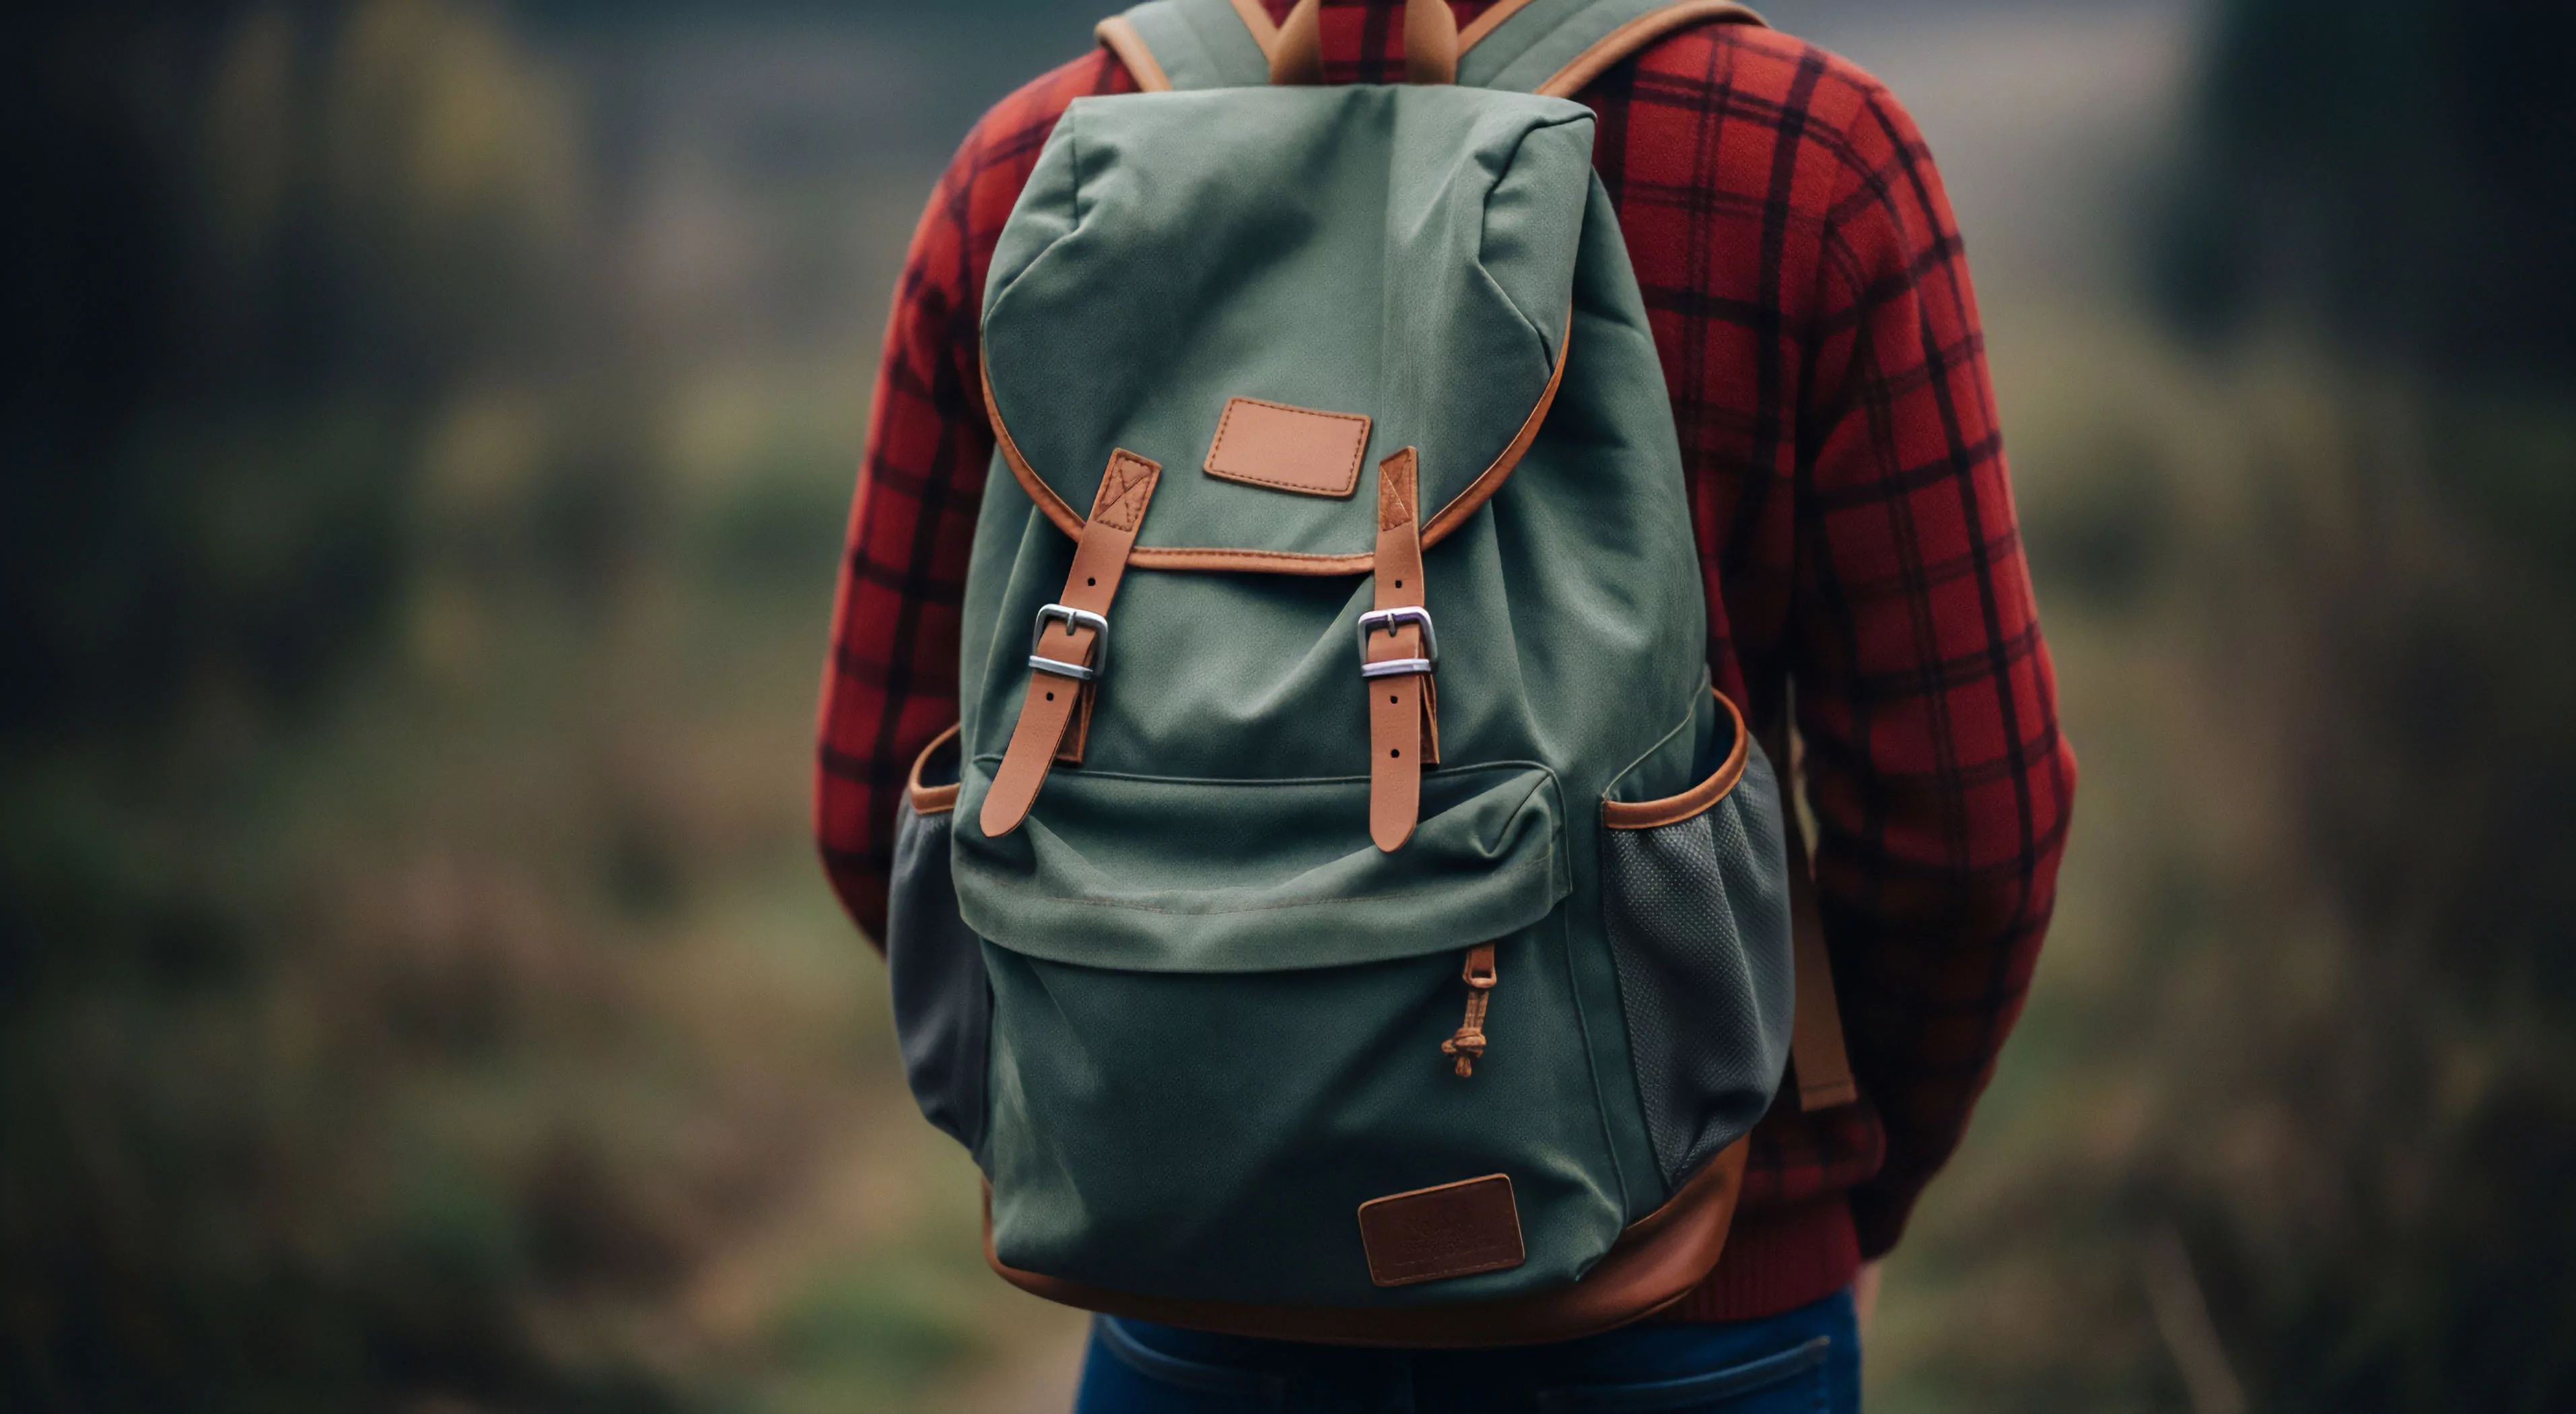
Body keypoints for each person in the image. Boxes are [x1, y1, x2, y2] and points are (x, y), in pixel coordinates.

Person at [814, 1, 2076, 1407]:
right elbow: (1972, 834)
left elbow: (880, 802)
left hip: (1183, 1299)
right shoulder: (1806, 158)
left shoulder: (1033, 168)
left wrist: (1167, 1077)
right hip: (1693, 1298)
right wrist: (1840, 1190)